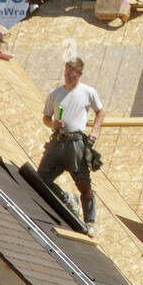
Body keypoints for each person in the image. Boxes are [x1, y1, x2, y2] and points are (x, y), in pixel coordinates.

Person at [38, 57, 105, 235]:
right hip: (58, 141)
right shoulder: (55, 94)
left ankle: (90, 222)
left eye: (72, 74)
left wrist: (94, 133)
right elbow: (46, 117)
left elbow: (100, 111)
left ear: (80, 74)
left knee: (84, 184)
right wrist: (52, 123)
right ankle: (67, 199)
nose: (68, 77)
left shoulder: (87, 92)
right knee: (40, 179)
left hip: (76, 144)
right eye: (66, 73)